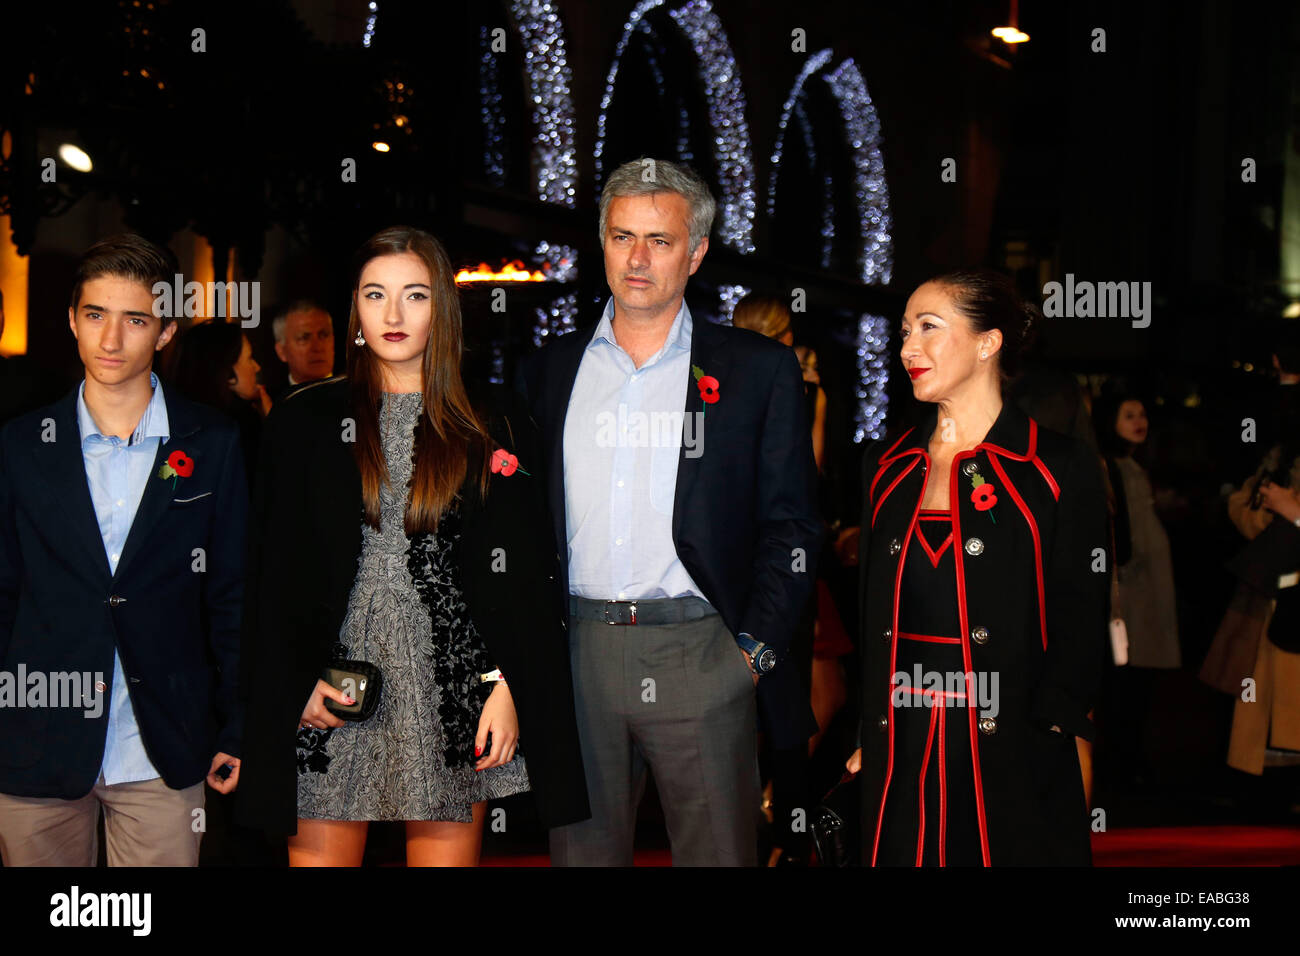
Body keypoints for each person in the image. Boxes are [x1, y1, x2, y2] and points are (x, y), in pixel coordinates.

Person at [235, 226, 589, 866]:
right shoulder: (303, 420)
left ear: (443, 310)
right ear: (355, 310)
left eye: (415, 296)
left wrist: (507, 686)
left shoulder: (493, 419)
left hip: (452, 687)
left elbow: (528, 570)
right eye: (375, 295)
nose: (393, 315)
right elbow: (268, 575)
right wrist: (292, 683)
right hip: (334, 687)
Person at [520, 159, 821, 866]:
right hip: (577, 654)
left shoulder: (755, 371)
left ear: (697, 252)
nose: (638, 257)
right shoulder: (548, 370)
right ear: (602, 242)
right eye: (623, 235)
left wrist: (750, 654)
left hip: (702, 651)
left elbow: (793, 526)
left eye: (660, 239)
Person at [846, 269, 1109, 866]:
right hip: (901, 732)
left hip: (1009, 739)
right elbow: (872, 610)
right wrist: (869, 726)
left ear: (988, 342)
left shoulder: (1056, 468)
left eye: (930, 328)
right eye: (906, 330)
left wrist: (1054, 735)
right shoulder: (885, 466)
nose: (908, 347)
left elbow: (1080, 620)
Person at [0, 234, 247, 865]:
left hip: (163, 747)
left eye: (134, 319)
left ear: (165, 332)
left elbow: (233, 596)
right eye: (94, 316)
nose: (110, 341)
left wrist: (239, 724)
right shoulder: (22, 445)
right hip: (35, 742)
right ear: (72, 323)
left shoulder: (214, 445)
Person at [170, 319, 270, 487]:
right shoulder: (243, 424)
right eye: (249, 358)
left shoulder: (171, 415)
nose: (256, 367)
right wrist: (270, 426)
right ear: (229, 371)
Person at [270, 300, 334, 402]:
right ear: (281, 351)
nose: (317, 347)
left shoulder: (360, 395)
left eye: (324, 335)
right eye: (304, 338)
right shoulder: (272, 403)